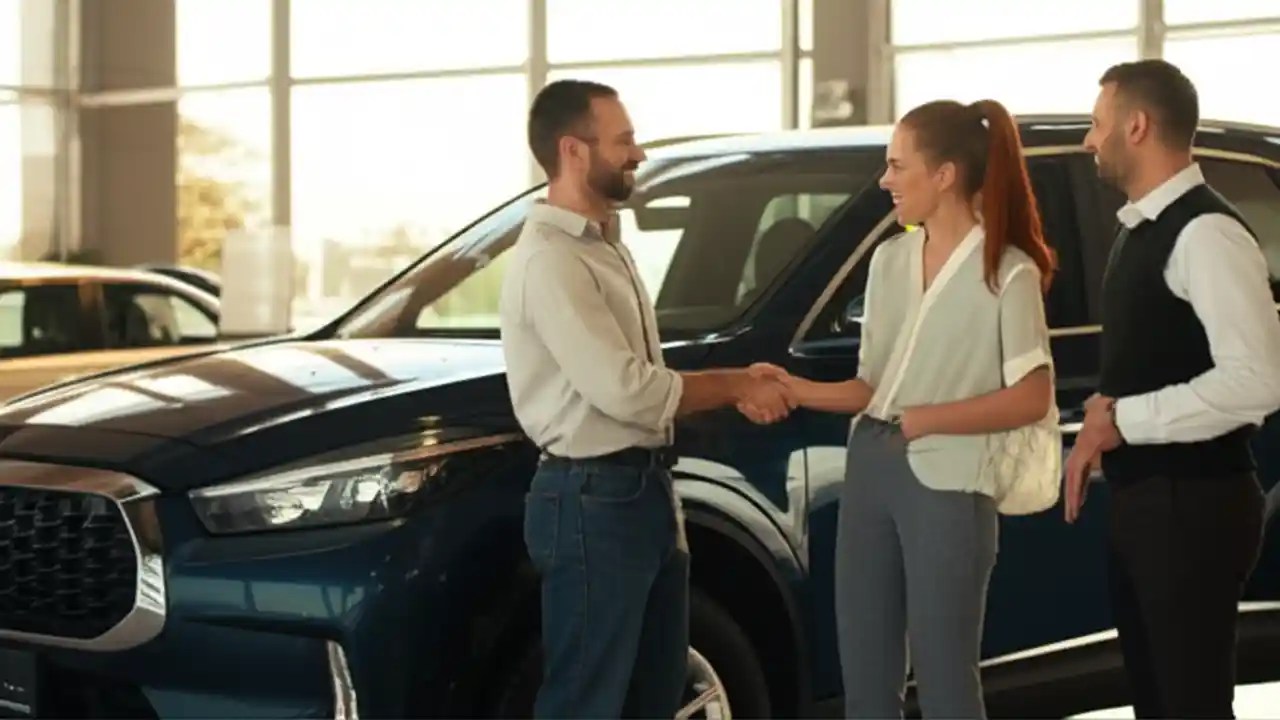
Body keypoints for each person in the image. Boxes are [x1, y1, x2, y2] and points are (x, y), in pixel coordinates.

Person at [497, 79, 795, 719]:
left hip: (644, 492)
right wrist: (740, 383)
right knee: (587, 701)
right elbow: (626, 390)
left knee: (654, 695)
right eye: (624, 140)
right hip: (591, 500)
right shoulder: (552, 261)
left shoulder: (605, 246)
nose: (637, 153)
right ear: (575, 151)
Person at [757, 98, 1058, 719]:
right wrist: (792, 386)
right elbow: (873, 385)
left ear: (944, 174)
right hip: (869, 465)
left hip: (949, 480)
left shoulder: (1008, 271)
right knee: (865, 681)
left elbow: (1033, 396)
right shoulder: (889, 260)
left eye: (897, 166)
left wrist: (927, 419)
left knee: (947, 681)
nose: (885, 180)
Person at [1065, 59, 1280, 718]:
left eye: (1098, 125)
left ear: (1137, 125)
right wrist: (1109, 414)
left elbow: (1257, 381)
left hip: (1194, 507)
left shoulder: (1206, 234)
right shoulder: (1141, 230)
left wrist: (1123, 420)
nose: (1088, 140)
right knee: (1159, 702)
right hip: (1153, 504)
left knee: (1191, 704)